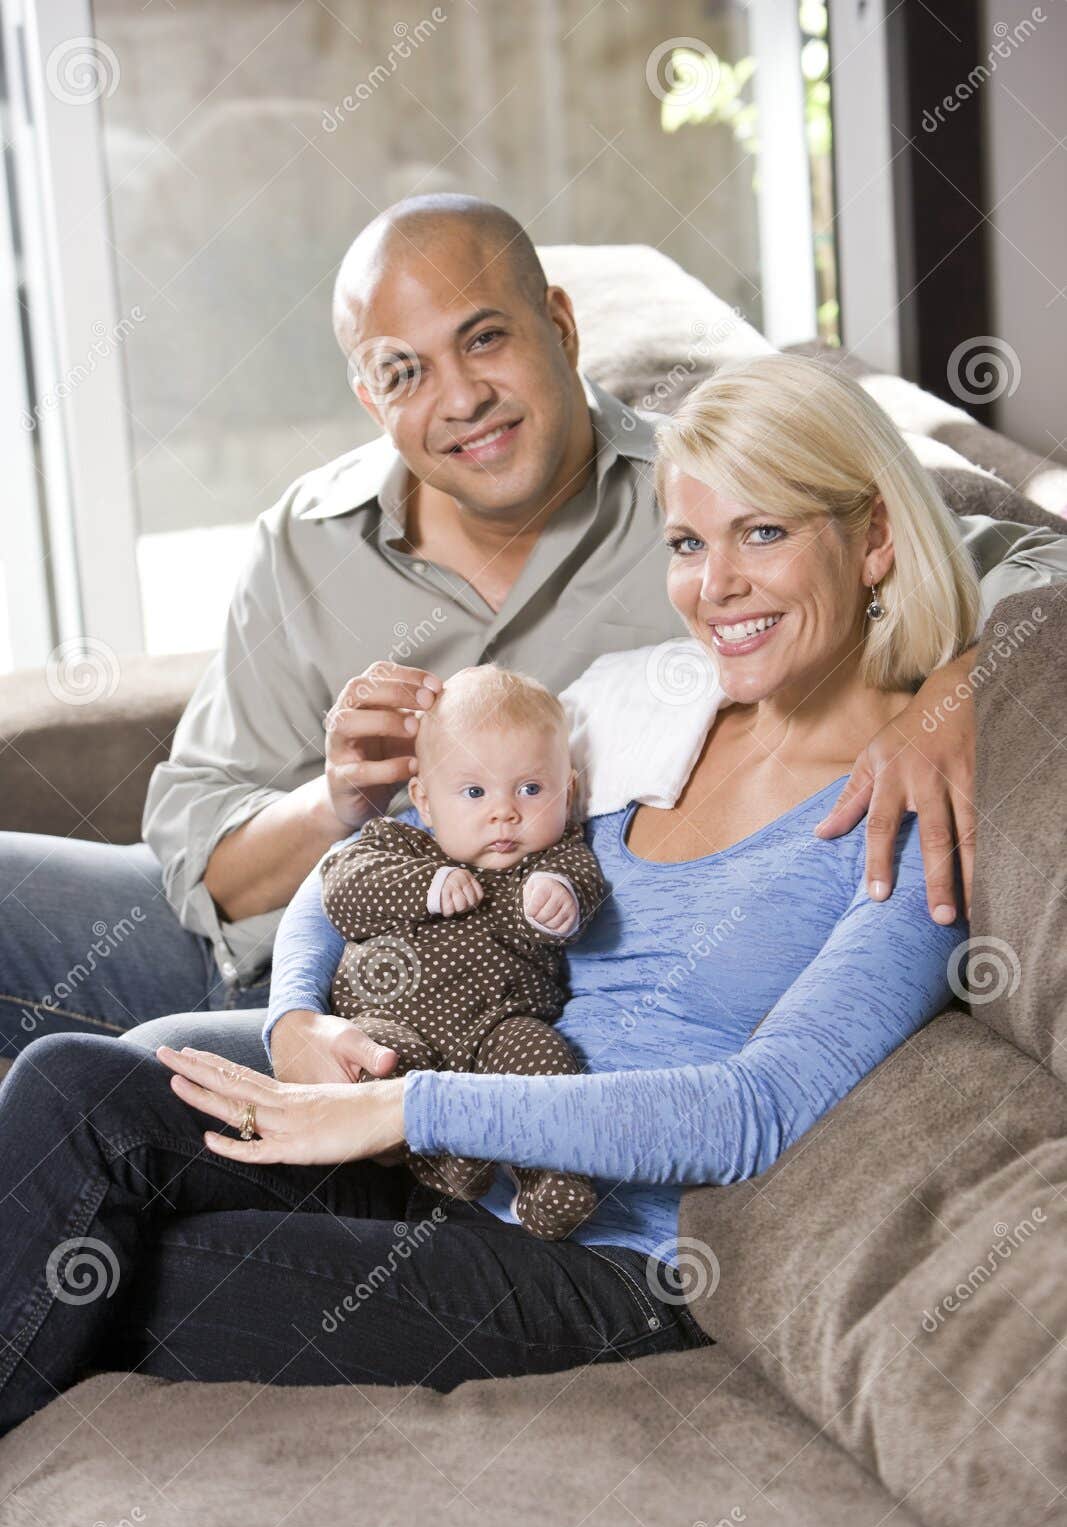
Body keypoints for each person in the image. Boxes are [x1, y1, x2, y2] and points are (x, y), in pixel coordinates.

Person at [0, 355, 989, 1430]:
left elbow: (750, 1112)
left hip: (609, 1268)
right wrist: (294, 1019)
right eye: (687, 543)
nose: (715, 588)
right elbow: (355, 866)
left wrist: (397, 1104)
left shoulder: (907, 814)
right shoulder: (642, 710)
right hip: (457, 1167)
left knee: (136, 1266)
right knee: (71, 1089)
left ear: (873, 539)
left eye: (764, 533)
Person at [2, 196, 1066, 1085]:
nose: (460, 399)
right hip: (249, 944)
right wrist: (337, 802)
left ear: (556, 322)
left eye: (483, 337)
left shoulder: (703, 505)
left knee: (103, 1093)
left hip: (451, 991)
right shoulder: (306, 540)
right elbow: (195, 849)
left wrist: (951, 702)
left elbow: (1020, 561)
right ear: (369, 395)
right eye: (404, 370)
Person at [321, 664, 606, 1238]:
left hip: (498, 1025)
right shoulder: (400, 844)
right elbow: (343, 894)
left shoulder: (553, 862)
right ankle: (445, 1160)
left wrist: (560, 900)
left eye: (531, 789)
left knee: (546, 1060)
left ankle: (554, 1179)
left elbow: (583, 892)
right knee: (377, 1066)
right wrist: (423, 887)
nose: (504, 812)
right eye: (474, 792)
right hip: (389, 1021)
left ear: (568, 789)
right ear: (424, 801)